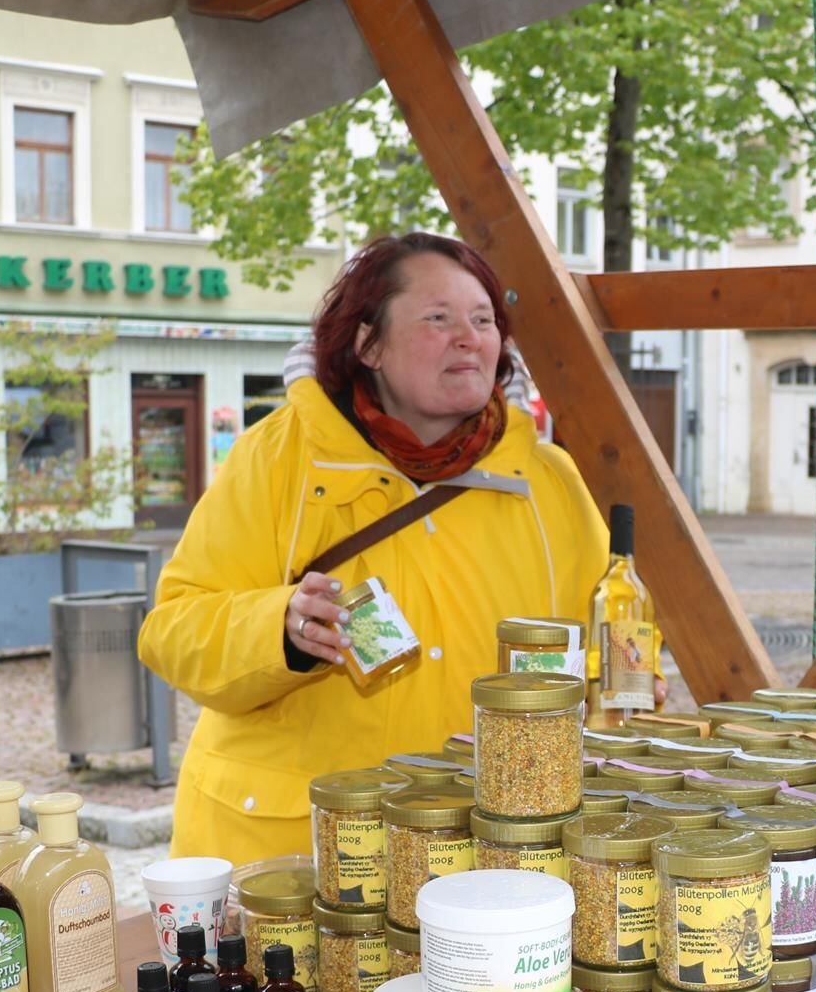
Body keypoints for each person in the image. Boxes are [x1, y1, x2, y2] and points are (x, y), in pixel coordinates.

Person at [138, 233, 612, 864]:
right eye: (438, 319)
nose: (470, 337)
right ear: (368, 344)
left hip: (485, 861)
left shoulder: (548, 482)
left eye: (484, 320)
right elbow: (171, 630)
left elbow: (605, 642)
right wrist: (278, 628)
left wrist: (619, 680)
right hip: (297, 863)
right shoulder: (277, 459)